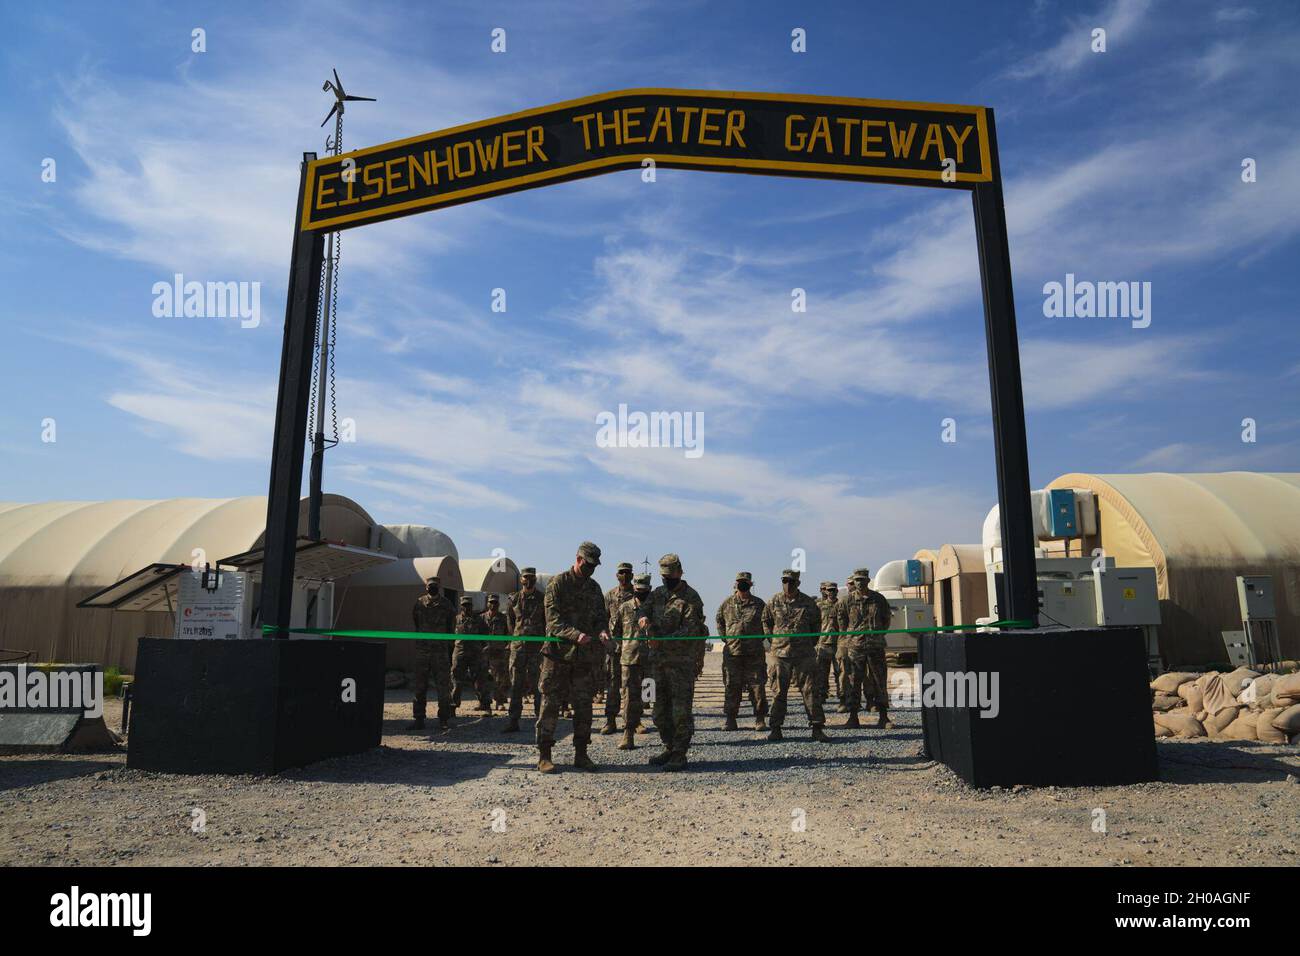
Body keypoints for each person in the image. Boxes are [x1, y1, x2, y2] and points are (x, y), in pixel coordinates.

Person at [537, 542, 610, 773]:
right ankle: (545, 755)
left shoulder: (594, 589)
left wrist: (603, 631)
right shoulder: (557, 584)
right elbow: (553, 621)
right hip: (557, 657)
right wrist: (576, 635)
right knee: (550, 705)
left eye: (594, 566)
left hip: (583, 659)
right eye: (587, 565)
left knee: (583, 706)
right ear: (578, 559)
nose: (590, 570)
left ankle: (581, 754)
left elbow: (600, 618)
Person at [646, 553, 706, 770]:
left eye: (670, 576)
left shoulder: (691, 597)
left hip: (681, 664)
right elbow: (643, 612)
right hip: (657, 664)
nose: (667, 580)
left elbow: (690, 630)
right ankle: (670, 747)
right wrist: (643, 619)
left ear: (680, 572)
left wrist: (660, 641)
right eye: (664, 577)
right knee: (658, 711)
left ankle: (680, 754)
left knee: (680, 711)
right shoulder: (657, 594)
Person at [762, 569, 831, 743]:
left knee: (811, 691)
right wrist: (774, 641)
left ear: (798, 583)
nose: (788, 584)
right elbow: (766, 621)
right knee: (778, 692)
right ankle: (776, 728)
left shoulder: (808, 603)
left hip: (804, 654)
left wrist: (809, 643)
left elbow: (817, 626)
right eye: (784, 581)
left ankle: (817, 728)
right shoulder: (774, 601)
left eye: (791, 581)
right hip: (780, 654)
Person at [836, 568, 893, 728]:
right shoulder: (846, 601)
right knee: (854, 682)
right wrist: (853, 637)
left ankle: (884, 717)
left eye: (862, 580)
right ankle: (853, 717)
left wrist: (876, 635)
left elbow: (886, 620)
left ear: (868, 581)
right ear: (853, 582)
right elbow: (842, 623)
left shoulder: (878, 599)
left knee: (879, 681)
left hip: (875, 646)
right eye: (857, 580)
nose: (860, 583)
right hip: (855, 647)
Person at [715, 571, 768, 732]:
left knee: (757, 687)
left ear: (750, 584)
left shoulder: (759, 604)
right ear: (735, 584)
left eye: (745, 582)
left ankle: (760, 719)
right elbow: (719, 622)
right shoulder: (726, 604)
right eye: (740, 582)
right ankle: (731, 719)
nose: (742, 584)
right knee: (732, 686)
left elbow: (767, 624)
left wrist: (757, 640)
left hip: (754, 654)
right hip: (733, 653)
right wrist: (728, 640)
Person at [610, 572, 655, 749]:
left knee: (648, 696)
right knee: (629, 695)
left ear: (649, 589)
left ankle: (640, 722)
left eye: (644, 591)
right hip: (629, 659)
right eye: (638, 590)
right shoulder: (625, 607)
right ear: (634, 589)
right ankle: (628, 732)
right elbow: (615, 631)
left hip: (651, 660)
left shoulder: (655, 609)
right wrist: (623, 647)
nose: (641, 593)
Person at [410, 575, 456, 731]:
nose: (432, 588)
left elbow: (451, 626)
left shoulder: (447, 605)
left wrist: (447, 645)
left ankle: (443, 719)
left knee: (443, 687)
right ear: (426, 587)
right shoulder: (419, 603)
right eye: (430, 585)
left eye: (435, 585)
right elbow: (416, 622)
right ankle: (418, 719)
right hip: (422, 651)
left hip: (440, 652)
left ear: (439, 587)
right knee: (419, 686)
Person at [504, 567, 545, 733]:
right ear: (521, 579)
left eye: (531, 577)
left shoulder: (542, 598)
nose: (528, 580)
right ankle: (513, 720)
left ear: (535, 579)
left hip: (536, 649)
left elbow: (546, 622)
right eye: (525, 577)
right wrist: (516, 637)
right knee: (516, 685)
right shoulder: (513, 599)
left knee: (538, 685)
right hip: (518, 648)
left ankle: (540, 720)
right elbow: (510, 622)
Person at [601, 562, 635, 734]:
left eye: (627, 572)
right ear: (616, 575)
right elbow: (603, 619)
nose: (624, 575)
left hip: (633, 648)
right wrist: (605, 636)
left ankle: (635, 721)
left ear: (632, 575)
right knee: (613, 684)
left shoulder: (638, 594)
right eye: (621, 572)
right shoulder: (610, 596)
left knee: (633, 686)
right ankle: (610, 720)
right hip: (614, 648)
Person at [452, 596, 490, 712]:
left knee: (480, 680)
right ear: (461, 606)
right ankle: (453, 706)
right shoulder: (456, 619)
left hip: (476, 654)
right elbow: (449, 635)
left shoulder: (479, 620)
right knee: (456, 681)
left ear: (472, 606)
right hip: (460, 653)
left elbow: (485, 635)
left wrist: (480, 648)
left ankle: (485, 705)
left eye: (468, 605)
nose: (466, 607)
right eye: (464, 605)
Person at [481, 594, 511, 711]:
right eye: (491, 602)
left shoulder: (503, 619)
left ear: (498, 604)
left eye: (495, 603)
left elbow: (508, 634)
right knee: (483, 678)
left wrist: (506, 647)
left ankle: (499, 701)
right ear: (487, 604)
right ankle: (484, 702)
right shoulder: (481, 618)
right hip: (484, 652)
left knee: (500, 679)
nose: (493, 605)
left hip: (498, 652)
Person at [815, 581, 840, 709]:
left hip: (838, 643)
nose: (831, 592)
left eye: (833, 590)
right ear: (825, 591)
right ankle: (821, 695)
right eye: (828, 590)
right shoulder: (819, 606)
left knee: (840, 672)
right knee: (821, 672)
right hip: (823, 643)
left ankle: (842, 697)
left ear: (837, 591)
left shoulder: (841, 604)